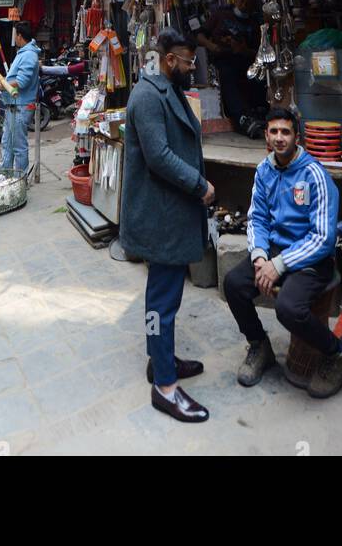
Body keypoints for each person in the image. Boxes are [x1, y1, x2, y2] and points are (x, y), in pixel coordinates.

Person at [223, 107, 342, 399]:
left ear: (297, 136)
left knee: (288, 309)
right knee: (233, 284)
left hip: (312, 256)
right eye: (274, 132)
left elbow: (322, 237)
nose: (279, 138)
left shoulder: (314, 174)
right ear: (266, 136)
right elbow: (257, 218)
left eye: (286, 131)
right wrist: (259, 256)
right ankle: (259, 345)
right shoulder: (264, 170)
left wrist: (278, 265)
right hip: (273, 250)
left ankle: (338, 354)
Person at [120, 29, 213, 424]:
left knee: (166, 299)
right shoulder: (146, 96)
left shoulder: (168, 90)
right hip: (158, 215)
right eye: (188, 61)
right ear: (169, 59)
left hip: (170, 213)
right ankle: (165, 387)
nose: (192, 68)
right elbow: (158, 156)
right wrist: (199, 184)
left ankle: (160, 360)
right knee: (162, 301)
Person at [197, 0, 263, 131]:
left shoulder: (253, 23)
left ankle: (258, 113)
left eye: (248, 2)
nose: (244, 4)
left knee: (257, 77)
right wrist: (212, 46)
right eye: (241, 0)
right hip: (222, 59)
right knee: (227, 75)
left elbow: (258, 51)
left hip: (245, 60)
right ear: (235, 0)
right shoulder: (221, 15)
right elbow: (200, 36)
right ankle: (242, 117)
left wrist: (245, 50)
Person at [0, 21, 40, 176]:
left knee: (18, 146)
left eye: (15, 35)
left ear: (20, 36)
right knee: (7, 143)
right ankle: (5, 175)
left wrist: (3, 84)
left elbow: (22, 82)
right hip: (13, 105)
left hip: (21, 106)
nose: (14, 38)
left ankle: (19, 181)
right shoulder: (23, 53)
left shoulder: (29, 55)